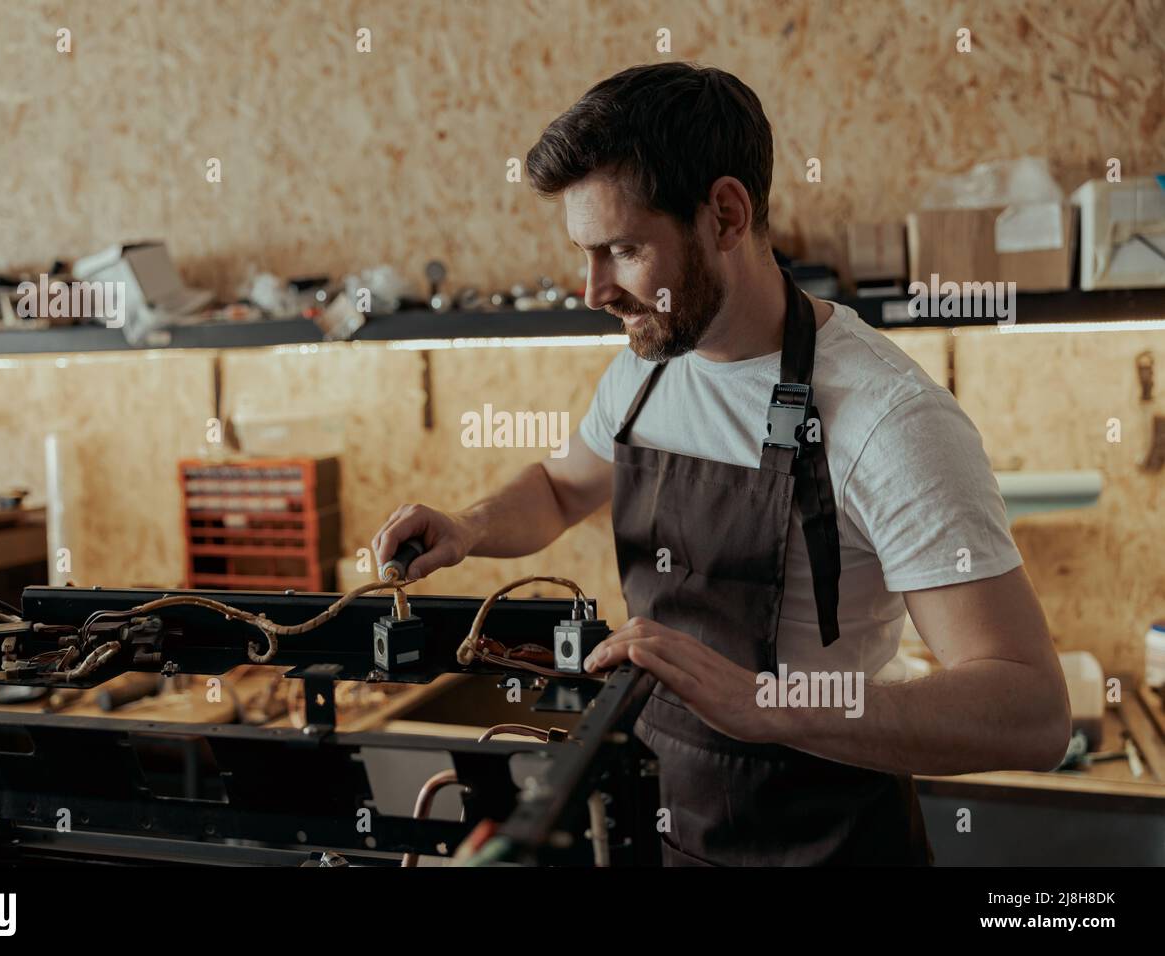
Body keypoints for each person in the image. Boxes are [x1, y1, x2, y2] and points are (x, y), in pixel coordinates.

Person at [372, 62, 1071, 866]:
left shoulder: (890, 420)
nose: (593, 288)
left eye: (623, 249)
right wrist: (468, 526)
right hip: (665, 822)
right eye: (583, 254)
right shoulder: (649, 364)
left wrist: (766, 702)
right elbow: (562, 488)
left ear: (726, 216)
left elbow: (1029, 709)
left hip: (826, 841)